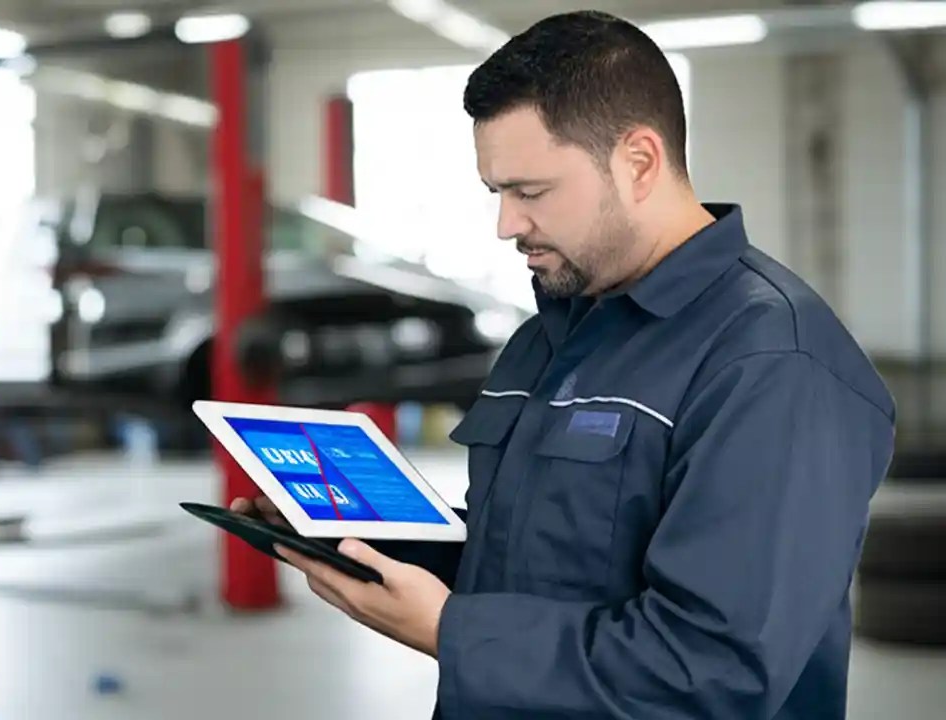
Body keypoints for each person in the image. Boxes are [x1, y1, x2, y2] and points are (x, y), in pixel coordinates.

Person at [232, 10, 895, 719]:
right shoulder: (552, 332)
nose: (506, 224)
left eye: (531, 191)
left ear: (639, 162)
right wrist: (361, 536)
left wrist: (451, 631)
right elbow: (533, 559)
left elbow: (710, 672)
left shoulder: (772, 362)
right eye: (497, 193)